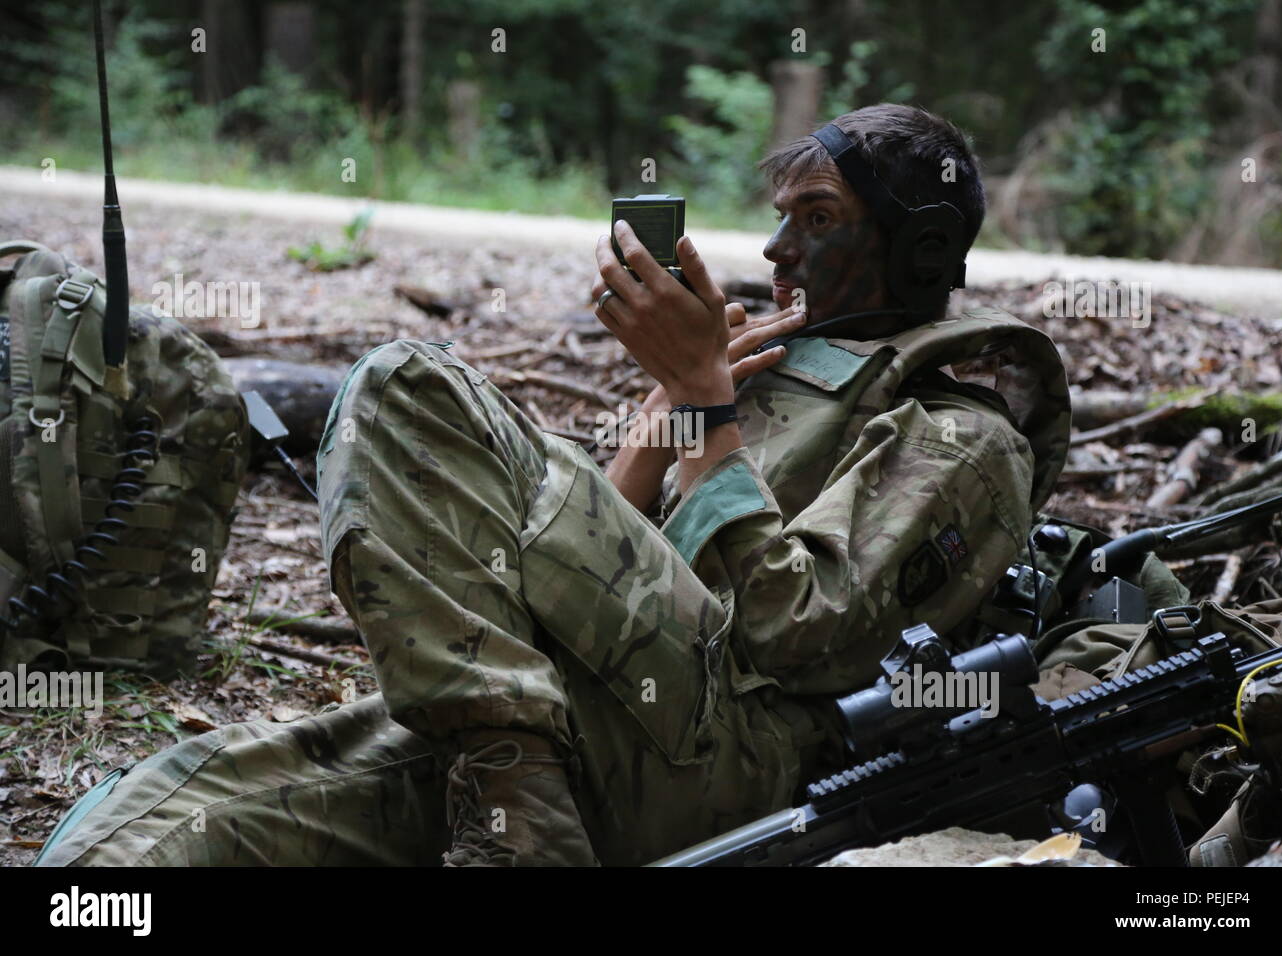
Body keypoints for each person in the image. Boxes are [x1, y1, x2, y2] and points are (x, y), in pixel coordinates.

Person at [36, 103, 1071, 867]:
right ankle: (510, 802)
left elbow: (799, 633)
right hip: (558, 722)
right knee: (123, 842)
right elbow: (583, 564)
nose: (776, 247)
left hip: (726, 763)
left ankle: (518, 828)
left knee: (402, 384)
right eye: (779, 215)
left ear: (920, 247)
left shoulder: (960, 436)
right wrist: (675, 406)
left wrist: (705, 398)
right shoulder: (770, 367)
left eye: (816, 216)